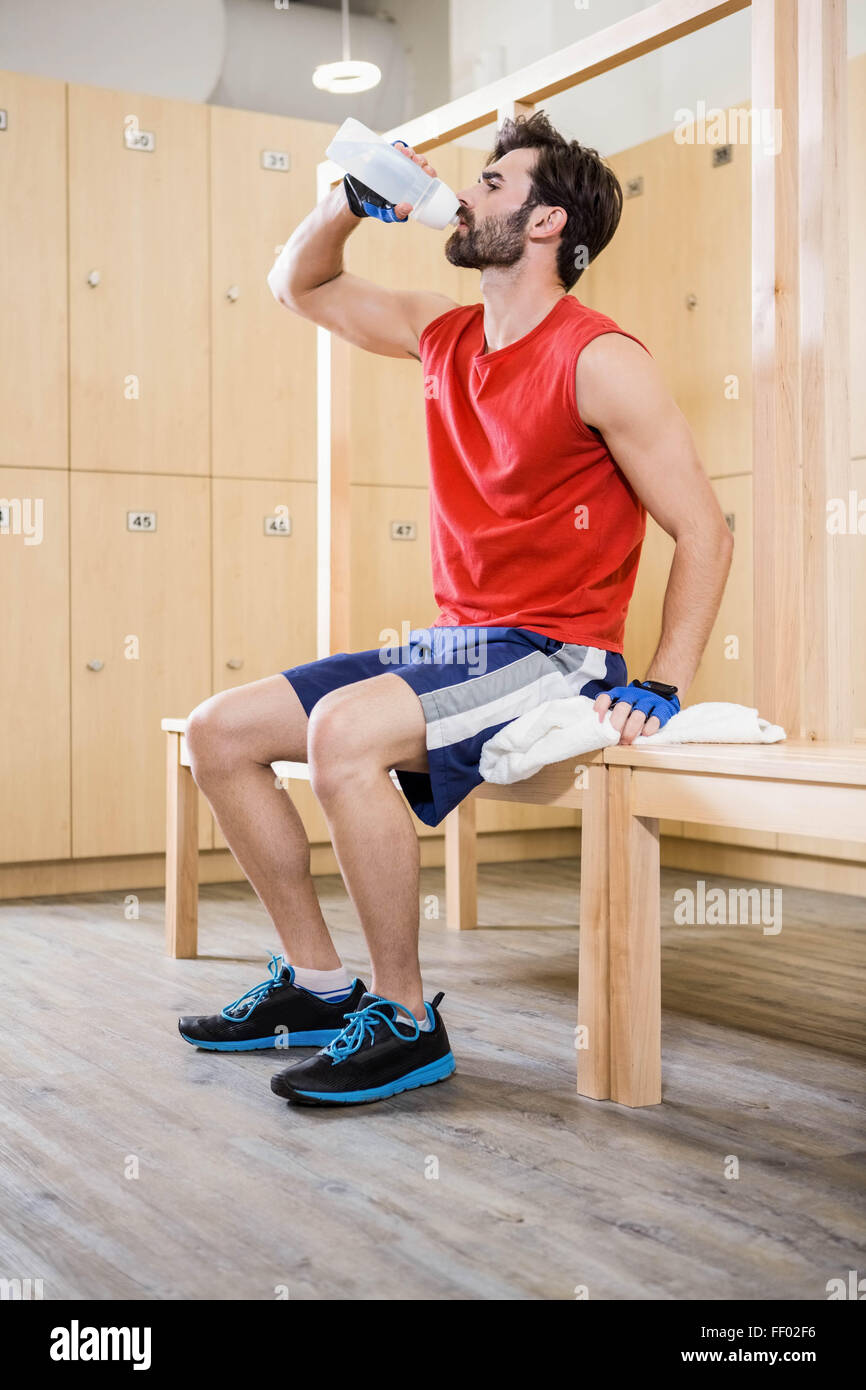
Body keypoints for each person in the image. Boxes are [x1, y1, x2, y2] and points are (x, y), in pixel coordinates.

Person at [178, 112, 733, 1107]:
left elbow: (704, 527)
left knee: (343, 735)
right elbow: (294, 284)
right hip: (457, 645)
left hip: (555, 650)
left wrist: (660, 682)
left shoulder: (598, 358)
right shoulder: (442, 334)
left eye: (490, 181)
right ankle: (312, 986)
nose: (464, 192)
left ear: (540, 221)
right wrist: (348, 200)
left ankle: (404, 1018)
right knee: (219, 733)